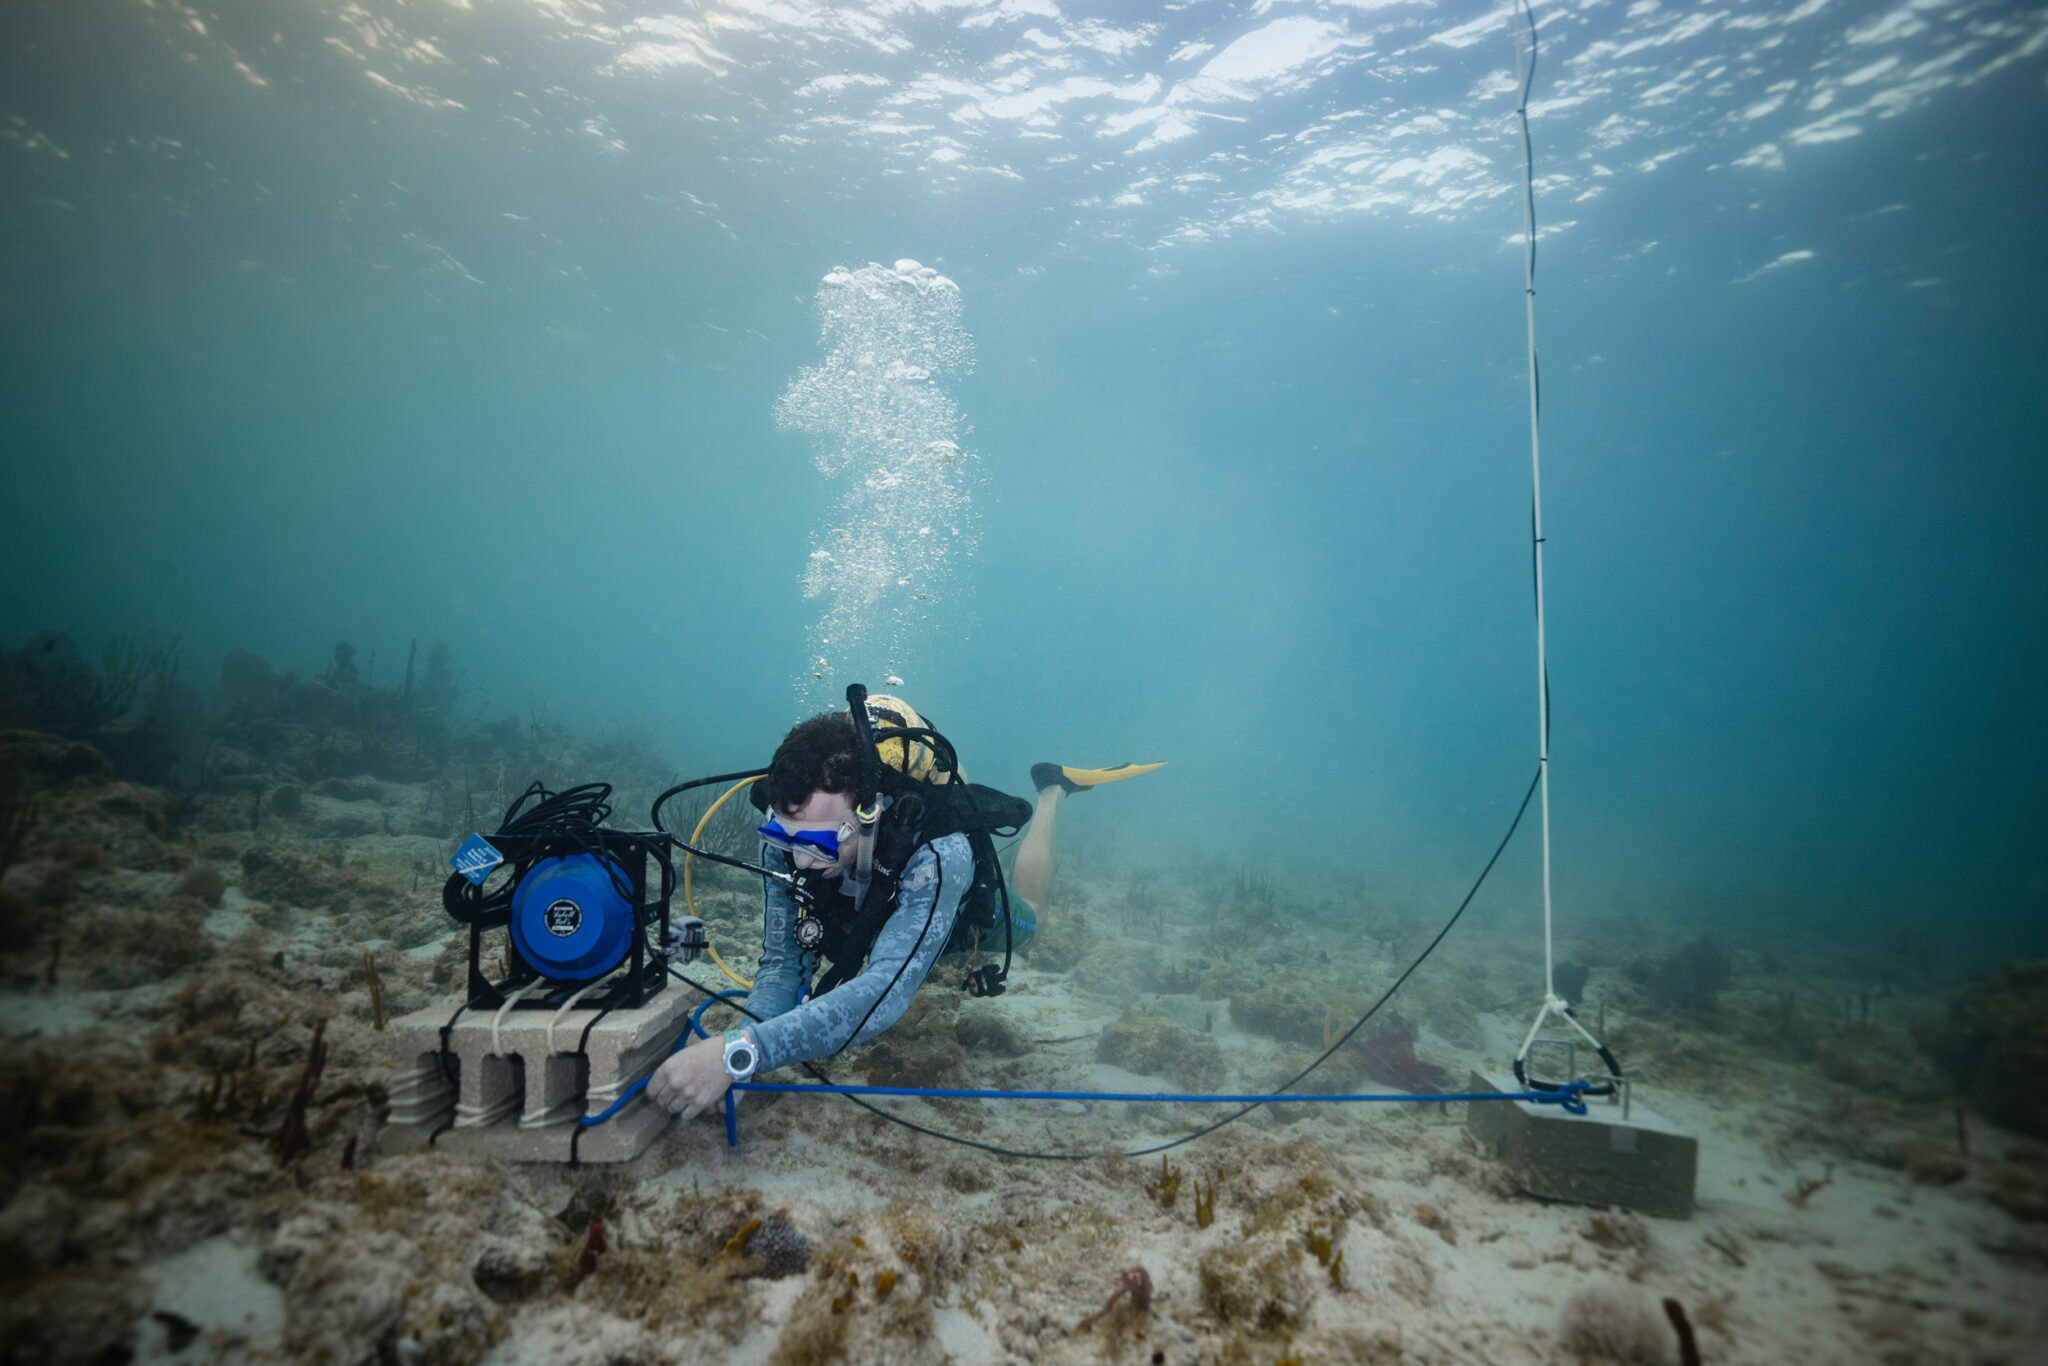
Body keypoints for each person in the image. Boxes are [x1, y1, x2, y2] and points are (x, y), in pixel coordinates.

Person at [647, 693, 1161, 1120]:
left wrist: (739, 1053)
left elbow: (882, 994)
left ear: (869, 812)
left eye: (819, 843)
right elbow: (783, 964)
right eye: (784, 836)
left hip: (956, 916)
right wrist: (740, 1049)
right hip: (868, 906)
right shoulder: (787, 836)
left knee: (1034, 921)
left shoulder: (939, 856)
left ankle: (1053, 791)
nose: (799, 860)